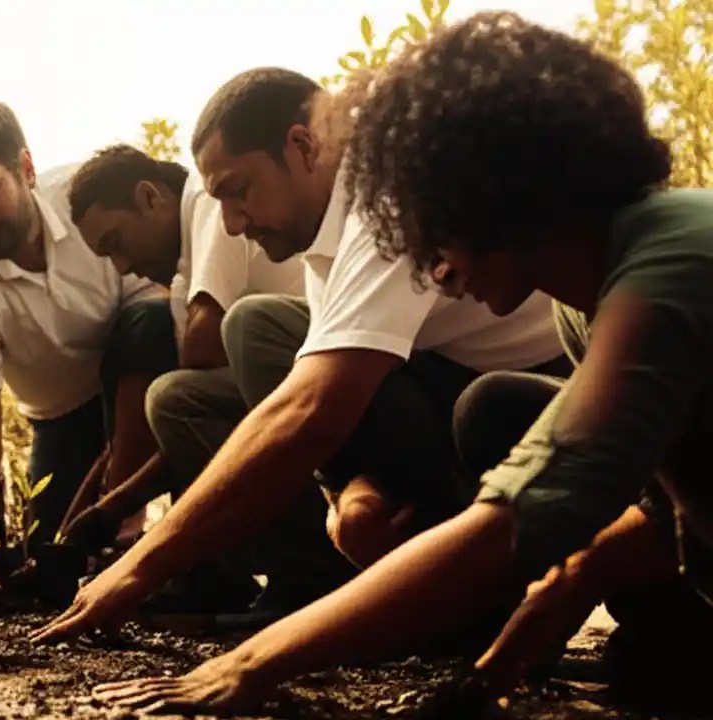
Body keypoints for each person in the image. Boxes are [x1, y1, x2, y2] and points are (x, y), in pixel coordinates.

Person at [85, 12, 713, 714]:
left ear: (506, 193)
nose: (435, 271)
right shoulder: (588, 296)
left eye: (438, 226)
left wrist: (254, 663)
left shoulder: (668, 271)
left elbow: (508, 521)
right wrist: (515, 642)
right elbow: (657, 508)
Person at [32, 64, 570, 643]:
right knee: (227, 360)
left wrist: (140, 566)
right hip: (443, 383)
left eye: (239, 192)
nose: (234, 224)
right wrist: (350, 491)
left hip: (530, 391)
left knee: (262, 333)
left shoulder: (386, 198)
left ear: (302, 145)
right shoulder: (321, 249)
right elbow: (323, 401)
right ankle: (336, 577)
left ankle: (455, 594)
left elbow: (313, 409)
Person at [0, 96, 175, 592]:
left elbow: (165, 309)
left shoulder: (87, 202)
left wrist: (120, 496)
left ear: (24, 167)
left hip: (143, 384)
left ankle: (177, 559)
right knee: (54, 563)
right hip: (62, 418)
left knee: (149, 322)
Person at [59, 144, 353, 616]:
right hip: (305, 401)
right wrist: (112, 509)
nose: (120, 266)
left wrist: (124, 515)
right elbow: (191, 426)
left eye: (115, 241)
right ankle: (248, 574)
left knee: (173, 395)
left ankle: (311, 571)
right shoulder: (180, 283)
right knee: (176, 400)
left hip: (338, 394)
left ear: (150, 196)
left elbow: (198, 359)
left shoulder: (207, 199)